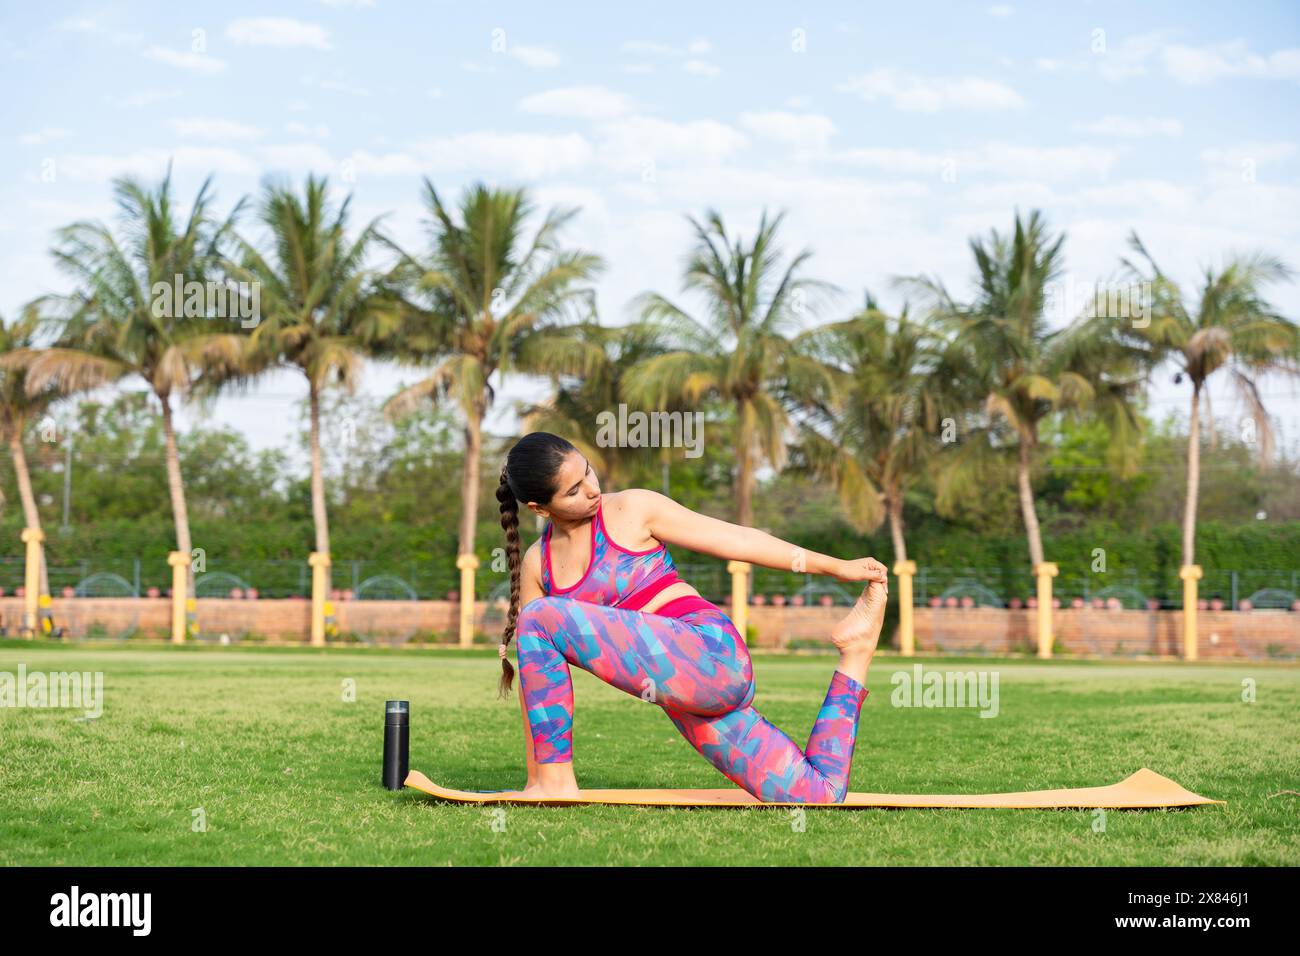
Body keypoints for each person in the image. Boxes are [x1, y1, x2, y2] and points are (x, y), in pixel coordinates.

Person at [495, 431, 889, 803]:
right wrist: (536, 780)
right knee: (816, 794)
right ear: (539, 509)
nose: (593, 488)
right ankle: (857, 651)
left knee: (539, 617)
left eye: (588, 471)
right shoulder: (537, 564)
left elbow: (739, 540)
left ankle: (557, 782)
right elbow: (537, 686)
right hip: (687, 696)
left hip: (710, 653)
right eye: (574, 490)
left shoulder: (631, 509)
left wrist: (836, 566)